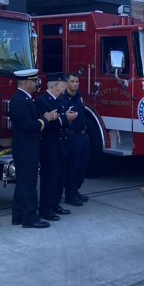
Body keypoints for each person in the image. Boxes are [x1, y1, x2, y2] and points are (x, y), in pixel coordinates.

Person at [9, 69, 58, 229]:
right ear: (26, 83)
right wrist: (45, 119)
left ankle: (18, 216)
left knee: (23, 184)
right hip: (25, 150)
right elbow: (28, 125)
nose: (37, 83)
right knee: (28, 185)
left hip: (28, 149)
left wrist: (46, 118)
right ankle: (30, 218)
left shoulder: (25, 99)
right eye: (34, 81)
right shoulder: (19, 100)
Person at [35, 73, 77, 221]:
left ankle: (55, 203)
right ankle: (45, 208)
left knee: (60, 177)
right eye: (63, 83)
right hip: (50, 147)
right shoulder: (41, 101)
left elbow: (59, 120)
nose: (66, 87)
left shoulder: (59, 100)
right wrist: (65, 119)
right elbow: (46, 123)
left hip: (61, 146)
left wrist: (67, 117)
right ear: (55, 84)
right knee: (50, 178)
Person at [61, 72, 90, 207]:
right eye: (72, 81)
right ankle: (70, 194)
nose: (75, 84)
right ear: (66, 83)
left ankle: (76, 189)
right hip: (72, 135)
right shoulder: (63, 99)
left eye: (77, 81)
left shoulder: (79, 96)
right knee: (72, 166)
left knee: (82, 165)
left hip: (83, 134)